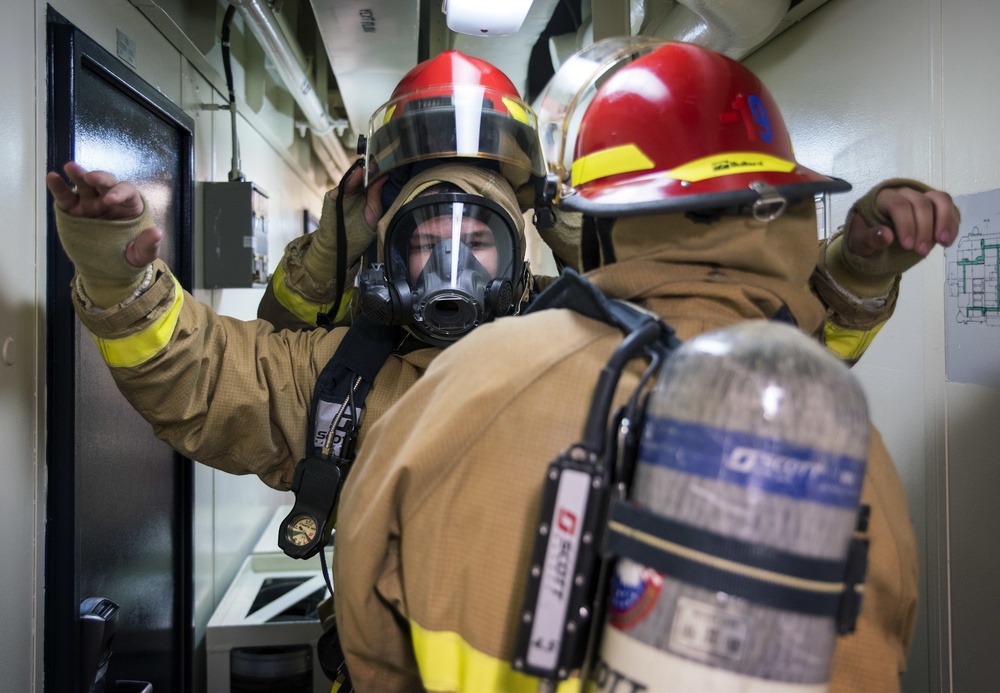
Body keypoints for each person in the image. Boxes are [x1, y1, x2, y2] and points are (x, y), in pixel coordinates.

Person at [331, 39, 959, 692]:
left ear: (598, 222)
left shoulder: (462, 389)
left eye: (478, 236)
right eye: (428, 240)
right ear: (783, 207)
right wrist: (848, 273)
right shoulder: (855, 452)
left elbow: (371, 626)